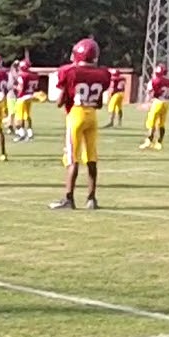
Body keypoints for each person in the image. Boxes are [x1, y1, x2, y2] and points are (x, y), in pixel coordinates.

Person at [49, 38, 112, 211]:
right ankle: (92, 198)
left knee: (72, 158)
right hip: (92, 116)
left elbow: (60, 102)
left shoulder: (70, 72)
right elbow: (98, 103)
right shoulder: (103, 74)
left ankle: (69, 198)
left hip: (76, 115)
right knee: (91, 158)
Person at [139, 64, 169, 150]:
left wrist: (147, 103)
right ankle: (159, 142)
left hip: (157, 102)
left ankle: (149, 141)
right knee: (161, 124)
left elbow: (151, 93)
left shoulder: (155, 81)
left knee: (151, 123)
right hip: (166, 103)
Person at [13, 59, 38, 141]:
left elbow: (21, 87)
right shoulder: (34, 75)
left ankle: (21, 134)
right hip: (30, 96)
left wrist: (16, 89)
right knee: (27, 116)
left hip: (22, 97)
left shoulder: (22, 75)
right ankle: (30, 133)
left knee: (18, 117)